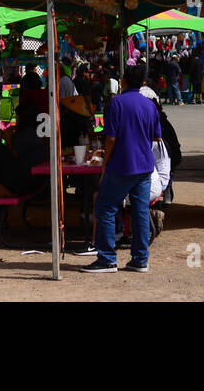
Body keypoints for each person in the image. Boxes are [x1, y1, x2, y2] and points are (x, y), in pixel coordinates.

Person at [82, 66, 162, 272]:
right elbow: (156, 136)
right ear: (143, 82)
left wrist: (105, 163)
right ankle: (140, 259)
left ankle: (107, 258)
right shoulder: (150, 105)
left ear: (123, 81)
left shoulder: (117, 102)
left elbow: (110, 138)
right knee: (140, 211)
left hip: (123, 164)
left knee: (104, 207)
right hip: (144, 165)